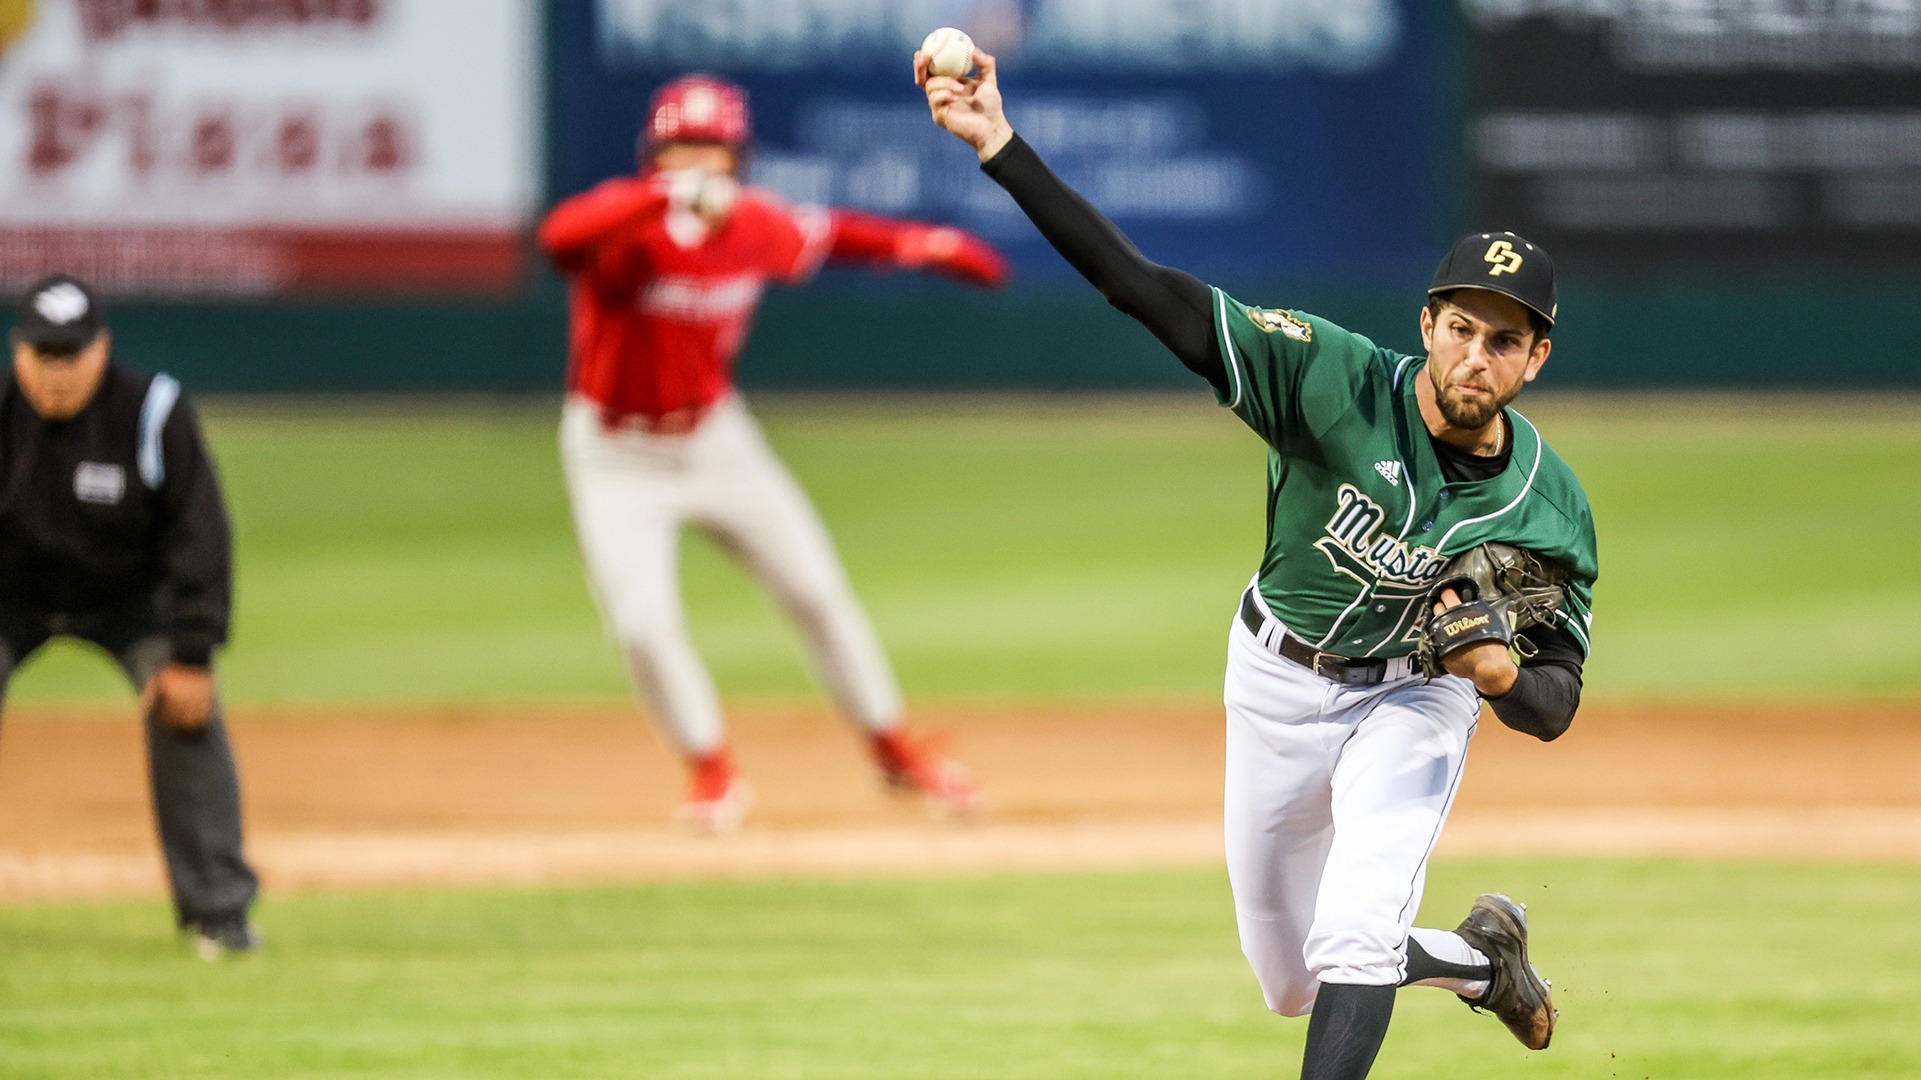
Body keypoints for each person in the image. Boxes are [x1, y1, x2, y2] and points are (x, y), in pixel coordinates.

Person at [918, 51, 1598, 1078]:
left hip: (1409, 703)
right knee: (1291, 980)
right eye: (1460, 327)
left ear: (1534, 358)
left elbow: (1555, 702)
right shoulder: (1326, 376)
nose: (1474, 356)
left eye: (1503, 341)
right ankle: (1482, 963)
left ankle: (1435, 959)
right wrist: (997, 148)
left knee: (1356, 928)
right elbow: (1138, 288)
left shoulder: (1545, 507)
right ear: (1427, 323)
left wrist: (1499, 678)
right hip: (1275, 680)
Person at [539, 75, 1009, 831]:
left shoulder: (753, 225)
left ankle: (893, 751)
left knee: (816, 592)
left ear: (738, 157)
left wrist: (929, 244)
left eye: (712, 148)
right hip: (616, 453)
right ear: (652, 156)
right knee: (642, 625)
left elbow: (834, 233)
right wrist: (663, 196)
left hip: (716, 438)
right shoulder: (624, 227)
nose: (696, 162)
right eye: (679, 147)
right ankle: (711, 772)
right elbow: (560, 237)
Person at [1, 274, 259, 958]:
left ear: (103, 349)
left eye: (72, 354)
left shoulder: (150, 410)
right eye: (42, 354)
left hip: (130, 602)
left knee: (184, 709)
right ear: (17, 352)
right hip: (10, 601)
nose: (57, 373)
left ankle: (218, 914)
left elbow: (201, 534)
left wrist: (193, 653)